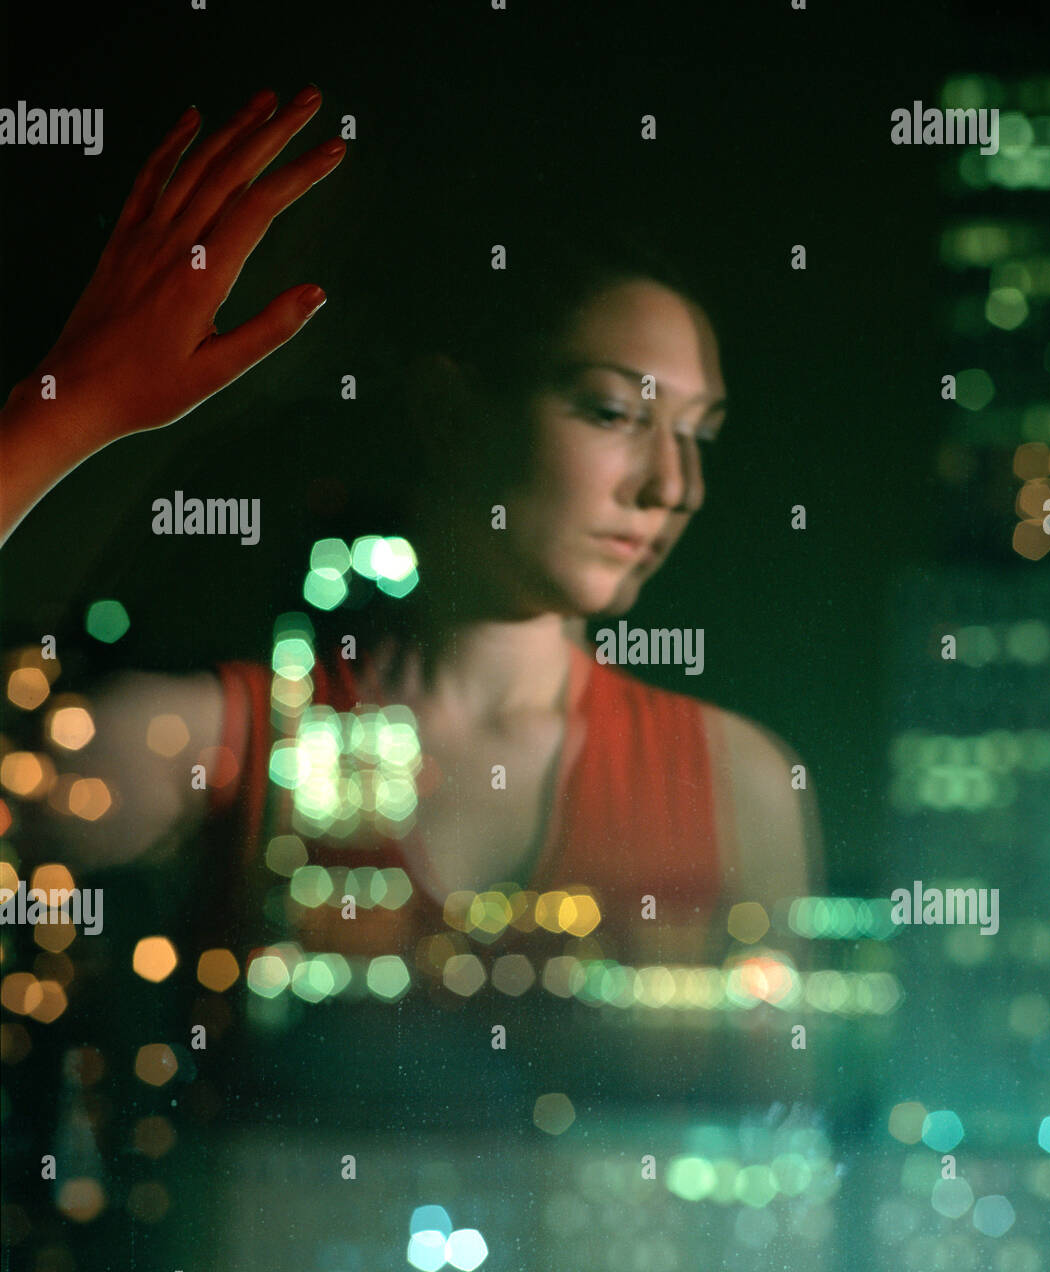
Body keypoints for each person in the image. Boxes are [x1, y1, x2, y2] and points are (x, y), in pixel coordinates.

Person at [1, 88, 824, 973]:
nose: (675, 486)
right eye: (613, 411)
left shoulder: (741, 786)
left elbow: (786, 1108)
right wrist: (69, 409)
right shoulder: (202, 746)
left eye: (699, 433)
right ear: (450, 411)